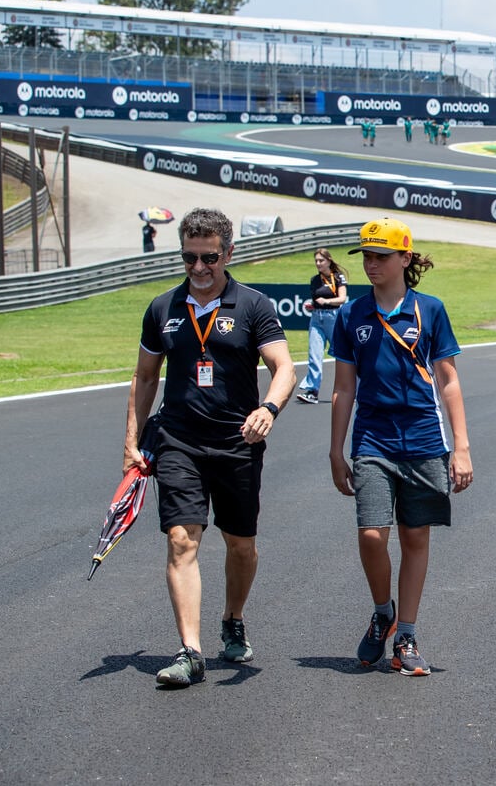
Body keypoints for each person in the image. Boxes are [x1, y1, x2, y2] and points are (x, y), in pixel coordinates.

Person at [123, 207, 296, 686]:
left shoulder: (254, 305)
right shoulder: (162, 308)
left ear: (228, 253)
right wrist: (131, 442)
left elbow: (284, 368)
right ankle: (190, 652)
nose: (199, 268)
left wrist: (269, 409)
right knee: (182, 540)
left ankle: (232, 616)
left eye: (209, 258)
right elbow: (144, 376)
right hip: (177, 440)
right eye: (189, 258)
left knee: (241, 544)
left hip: (238, 441)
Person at [329, 217, 473, 676]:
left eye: (380, 256)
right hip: (372, 439)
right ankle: (382, 611)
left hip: (426, 440)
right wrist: (336, 450)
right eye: (366, 256)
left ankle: (406, 634)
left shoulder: (430, 310)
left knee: (415, 536)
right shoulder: (350, 314)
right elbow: (343, 388)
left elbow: (449, 381)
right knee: (372, 534)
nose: (371, 264)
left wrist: (462, 447)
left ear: (404, 259)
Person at [295, 248, 349, 404]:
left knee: (342, 354)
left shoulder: (338, 277)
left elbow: (342, 298)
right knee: (314, 354)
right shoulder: (314, 279)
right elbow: (315, 300)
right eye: (316, 261)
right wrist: (310, 305)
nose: (318, 263)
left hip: (334, 317)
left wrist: (327, 302)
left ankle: (353, 387)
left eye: (321, 260)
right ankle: (312, 390)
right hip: (316, 318)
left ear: (329, 261)